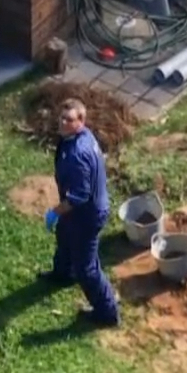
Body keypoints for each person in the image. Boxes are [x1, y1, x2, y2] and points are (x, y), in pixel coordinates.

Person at [40, 99, 120, 327]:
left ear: (81, 121)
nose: (63, 123)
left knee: (88, 267)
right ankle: (63, 273)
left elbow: (79, 196)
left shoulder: (77, 156)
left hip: (87, 215)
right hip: (77, 212)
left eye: (69, 120)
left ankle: (107, 312)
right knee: (64, 237)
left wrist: (55, 211)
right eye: (61, 118)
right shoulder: (80, 137)